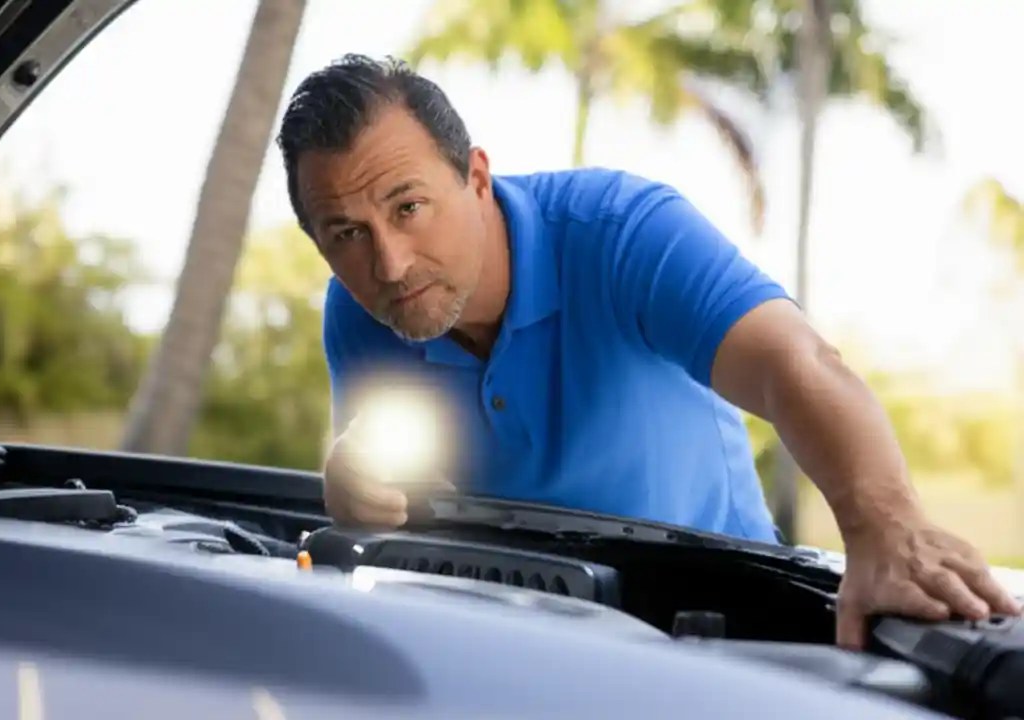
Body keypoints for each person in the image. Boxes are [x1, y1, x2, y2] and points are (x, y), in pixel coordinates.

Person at [274, 53, 1020, 648]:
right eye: (346, 233)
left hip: (721, 633)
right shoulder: (358, 314)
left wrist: (883, 527)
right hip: (509, 643)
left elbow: (798, 365)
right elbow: (403, 501)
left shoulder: (626, 231)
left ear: (474, 175)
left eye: (409, 207)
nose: (391, 264)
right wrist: (359, 490)